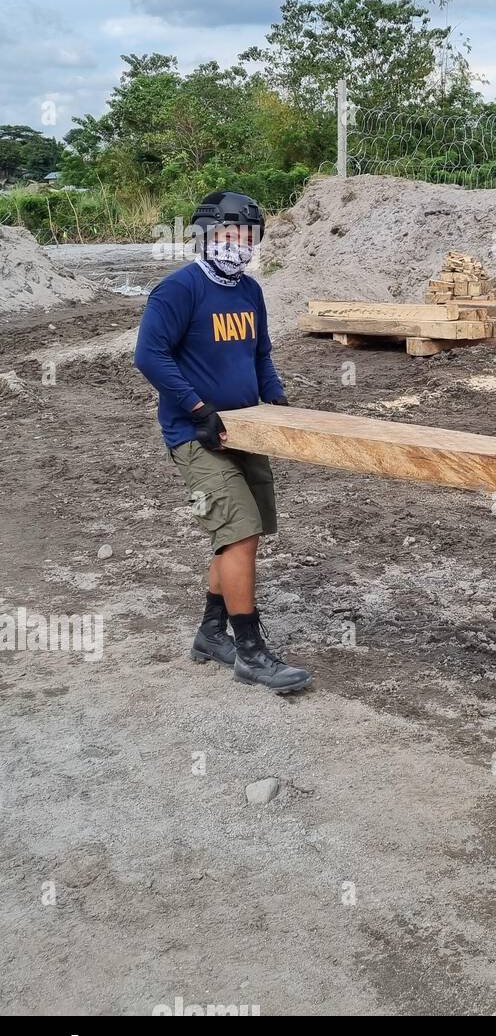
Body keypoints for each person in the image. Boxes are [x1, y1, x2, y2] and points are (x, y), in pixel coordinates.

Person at [133, 189, 311, 694]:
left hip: (246, 429)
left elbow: (260, 354)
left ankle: (211, 634)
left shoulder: (250, 291)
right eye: (232, 234)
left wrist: (276, 400)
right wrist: (196, 409)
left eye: (249, 235)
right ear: (206, 236)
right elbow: (149, 356)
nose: (241, 244)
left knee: (241, 533)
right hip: (196, 434)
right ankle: (251, 653)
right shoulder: (178, 291)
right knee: (239, 531)